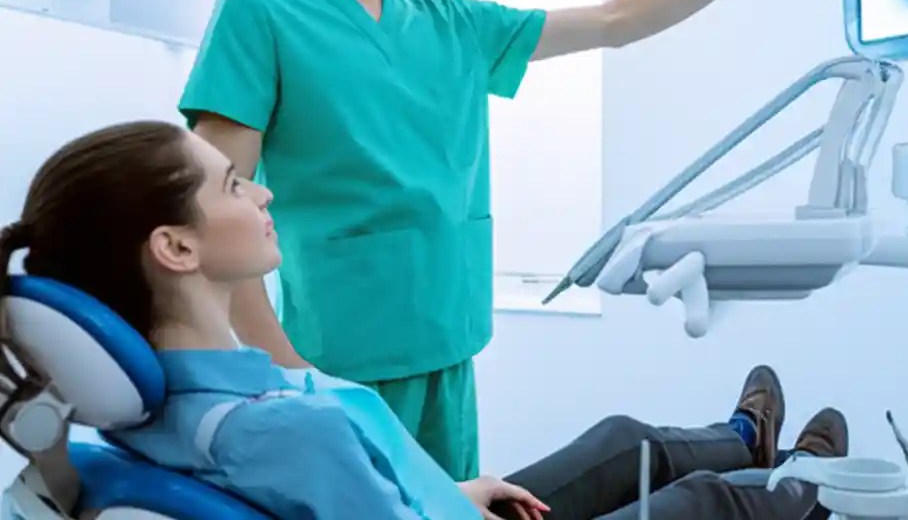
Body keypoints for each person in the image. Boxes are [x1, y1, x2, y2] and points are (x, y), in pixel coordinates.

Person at [180, 0, 851, 481]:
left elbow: (617, 20)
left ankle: (746, 452)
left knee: (466, 501)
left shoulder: (449, 19)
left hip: (449, 348)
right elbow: (212, 223)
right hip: (336, 363)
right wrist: (294, 381)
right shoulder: (259, 14)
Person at [0, 120, 849, 520]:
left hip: (434, 511)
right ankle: (810, 493)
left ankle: (751, 441)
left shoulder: (161, 413)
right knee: (702, 504)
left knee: (623, 438)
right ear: (176, 249)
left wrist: (453, 496)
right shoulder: (275, 428)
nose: (260, 191)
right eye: (230, 184)